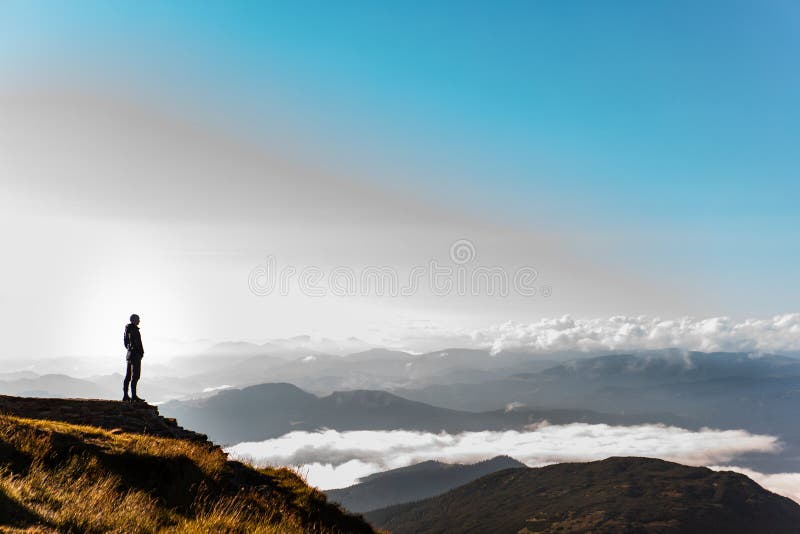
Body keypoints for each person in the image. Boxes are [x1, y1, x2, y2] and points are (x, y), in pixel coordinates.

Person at [123, 313, 145, 402]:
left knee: (128, 376)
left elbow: (125, 343)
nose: (139, 321)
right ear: (134, 320)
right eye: (138, 319)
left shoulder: (127, 330)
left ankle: (125, 396)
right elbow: (138, 343)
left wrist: (129, 349)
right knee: (135, 376)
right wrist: (141, 352)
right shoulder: (134, 330)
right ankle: (134, 396)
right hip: (135, 355)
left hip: (129, 354)